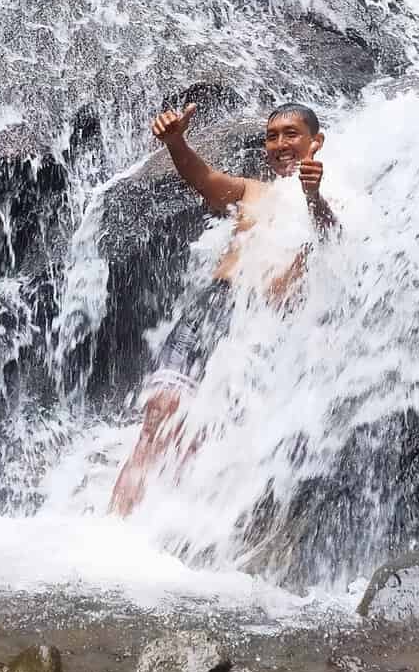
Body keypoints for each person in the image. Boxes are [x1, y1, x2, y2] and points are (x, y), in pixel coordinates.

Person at [109, 101, 334, 516]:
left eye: (291, 134)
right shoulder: (253, 190)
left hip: (264, 326)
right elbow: (205, 180)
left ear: (315, 141)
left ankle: (166, 534)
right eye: (272, 136)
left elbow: (333, 241)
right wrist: (176, 142)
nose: (280, 144)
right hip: (213, 306)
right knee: (159, 415)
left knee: (208, 436)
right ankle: (111, 530)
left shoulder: (335, 196)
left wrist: (314, 195)